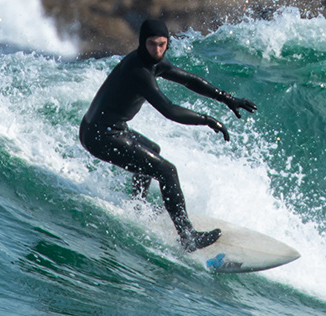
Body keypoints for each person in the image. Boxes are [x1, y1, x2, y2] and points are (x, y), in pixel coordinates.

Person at [78, 17, 257, 251]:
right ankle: (188, 237)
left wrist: (227, 98)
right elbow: (169, 110)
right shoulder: (138, 70)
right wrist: (207, 120)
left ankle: (137, 207)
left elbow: (189, 80)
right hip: (99, 136)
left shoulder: (154, 63)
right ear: (143, 42)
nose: (158, 50)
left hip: (108, 129)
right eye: (152, 44)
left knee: (153, 151)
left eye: (162, 44)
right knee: (167, 170)